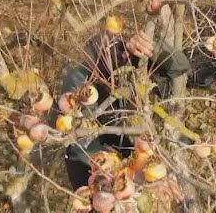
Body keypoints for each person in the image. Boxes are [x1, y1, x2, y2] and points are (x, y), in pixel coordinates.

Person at [54, 27, 189, 189]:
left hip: (150, 152)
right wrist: (122, 173)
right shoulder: (81, 83)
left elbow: (181, 67)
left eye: (118, 50)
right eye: (107, 56)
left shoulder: (135, 61)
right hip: (97, 172)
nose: (116, 62)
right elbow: (84, 148)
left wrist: (153, 46)